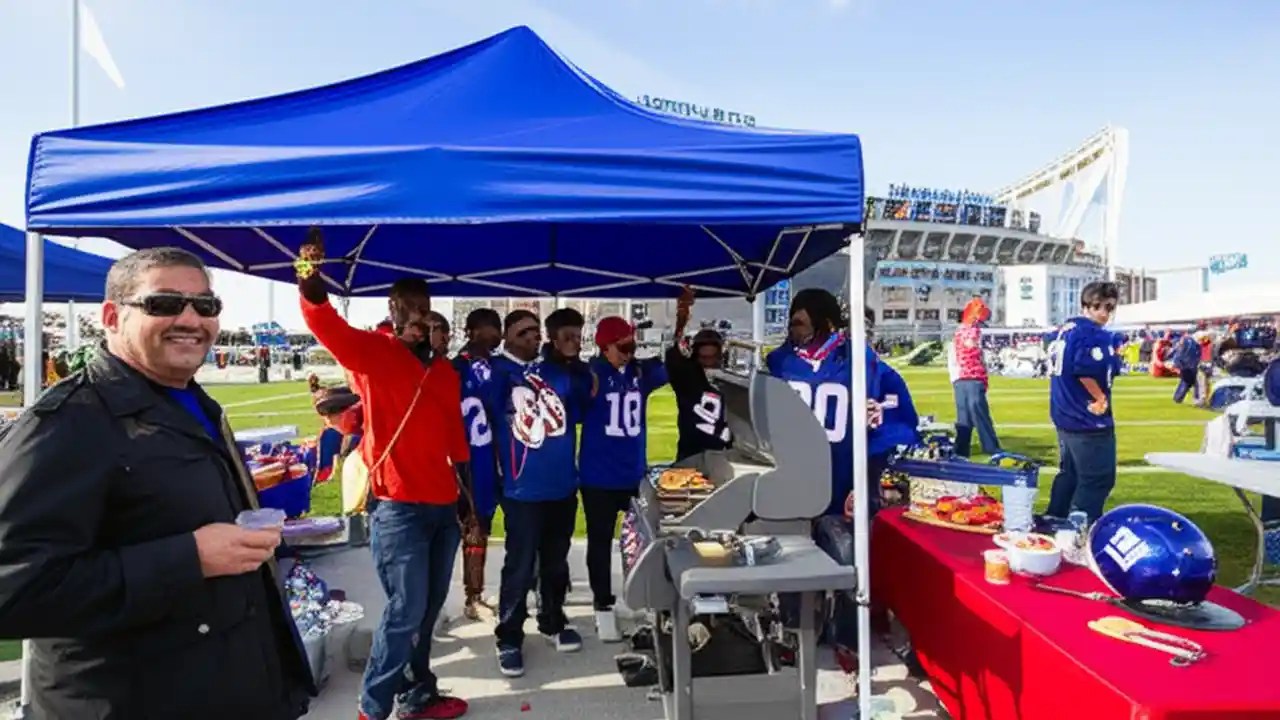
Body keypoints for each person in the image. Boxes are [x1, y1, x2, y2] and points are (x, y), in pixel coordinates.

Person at [0, 247, 313, 718]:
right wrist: (187, 558)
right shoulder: (66, 424)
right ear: (111, 316)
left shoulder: (195, 404)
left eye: (205, 306)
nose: (191, 319)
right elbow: (12, 590)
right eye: (164, 304)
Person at [296, 230, 472, 720]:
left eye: (425, 306)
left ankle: (418, 694)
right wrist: (310, 276)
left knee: (426, 611)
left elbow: (456, 440)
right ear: (393, 311)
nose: (418, 314)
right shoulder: (375, 353)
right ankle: (372, 709)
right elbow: (322, 320)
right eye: (408, 306)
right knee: (404, 612)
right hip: (398, 508)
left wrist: (468, 501)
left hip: (442, 506)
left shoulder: (442, 371)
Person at [488, 309, 592, 678]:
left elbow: (582, 403)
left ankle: (553, 618)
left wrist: (572, 358)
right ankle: (509, 635)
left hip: (562, 482)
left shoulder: (556, 370)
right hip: (521, 487)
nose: (534, 337)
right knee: (518, 565)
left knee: (555, 560)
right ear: (508, 336)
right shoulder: (496, 372)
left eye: (537, 331)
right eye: (525, 332)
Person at [578, 316, 668, 642]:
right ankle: (602, 604)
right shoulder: (591, 375)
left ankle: (637, 595)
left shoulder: (639, 374)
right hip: (598, 475)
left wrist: (682, 324)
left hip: (632, 472)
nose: (630, 353)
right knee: (600, 541)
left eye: (633, 346)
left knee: (639, 541)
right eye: (624, 347)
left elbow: (671, 363)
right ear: (604, 347)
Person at [1044, 281, 1121, 523]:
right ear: (1087, 305)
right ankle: (1078, 531)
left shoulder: (1065, 329)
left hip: (1064, 412)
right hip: (1086, 417)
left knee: (1070, 475)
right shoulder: (1092, 333)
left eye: (1109, 308)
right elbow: (1084, 368)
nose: (1105, 313)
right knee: (1097, 480)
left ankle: (1053, 521)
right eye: (1100, 307)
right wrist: (1099, 398)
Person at [453, 308, 504, 621]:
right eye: (490, 328)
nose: (496, 333)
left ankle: (479, 593)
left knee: (484, 527)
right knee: (472, 528)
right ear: (472, 331)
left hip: (498, 458)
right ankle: (472, 597)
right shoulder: (456, 368)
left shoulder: (499, 366)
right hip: (469, 461)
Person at [665, 287, 732, 461]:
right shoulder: (686, 377)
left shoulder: (731, 380)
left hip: (723, 455)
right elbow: (672, 354)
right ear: (695, 356)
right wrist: (681, 320)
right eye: (704, 358)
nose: (709, 363)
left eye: (712, 358)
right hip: (691, 455)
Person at [948, 297, 1000, 457]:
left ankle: (962, 451)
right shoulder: (972, 331)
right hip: (972, 376)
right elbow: (975, 350)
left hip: (961, 378)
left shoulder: (959, 333)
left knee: (965, 417)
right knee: (978, 414)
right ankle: (991, 448)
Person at [1171, 330, 1202, 405]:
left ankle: (1178, 398)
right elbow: (1198, 353)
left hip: (1185, 364)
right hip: (1192, 364)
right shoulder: (1194, 342)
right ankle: (1196, 399)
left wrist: (1176, 363)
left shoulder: (1184, 341)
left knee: (1187, 382)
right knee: (1193, 382)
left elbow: (1178, 353)